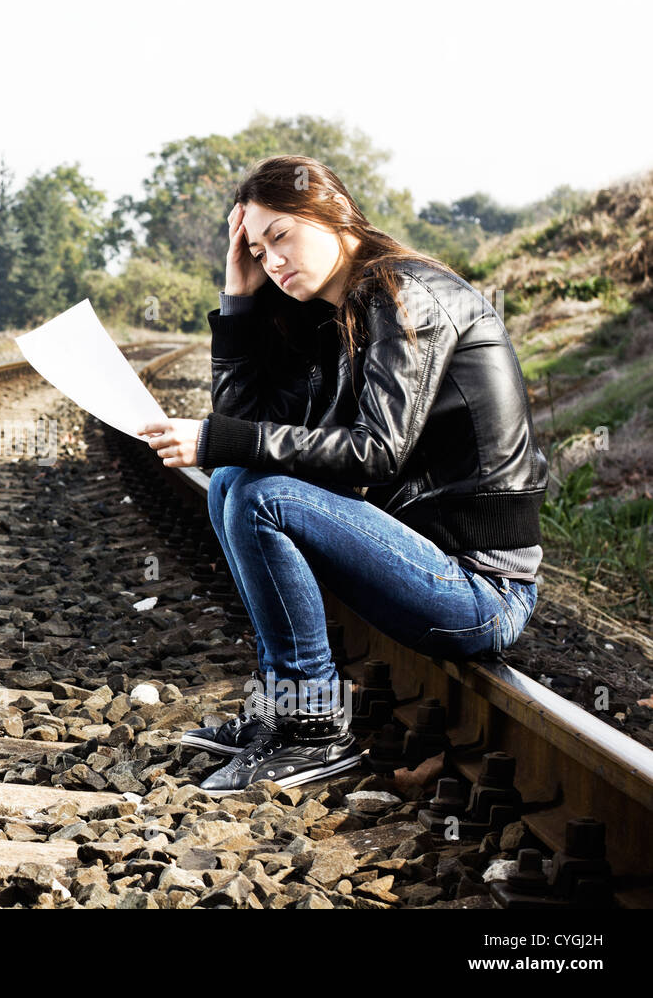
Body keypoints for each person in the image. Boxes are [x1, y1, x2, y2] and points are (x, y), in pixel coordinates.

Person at [136, 154, 546, 795]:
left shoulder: (404, 295)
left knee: (261, 497)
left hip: (482, 586)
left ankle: (312, 729)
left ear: (332, 214)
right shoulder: (337, 313)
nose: (271, 259)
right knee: (231, 483)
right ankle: (282, 709)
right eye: (256, 247)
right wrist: (238, 301)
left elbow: (376, 451)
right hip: (427, 558)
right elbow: (245, 438)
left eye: (281, 236)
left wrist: (220, 438)